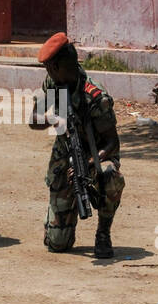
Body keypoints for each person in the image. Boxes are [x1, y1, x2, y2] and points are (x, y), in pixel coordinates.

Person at [30, 32, 124, 258]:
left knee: (110, 177)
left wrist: (89, 162)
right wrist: (53, 119)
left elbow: (112, 142)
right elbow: (33, 119)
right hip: (64, 153)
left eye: (51, 67)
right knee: (57, 244)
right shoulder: (52, 84)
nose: (48, 72)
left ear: (61, 65)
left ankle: (103, 233)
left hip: (97, 154)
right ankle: (58, 217)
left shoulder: (95, 96)